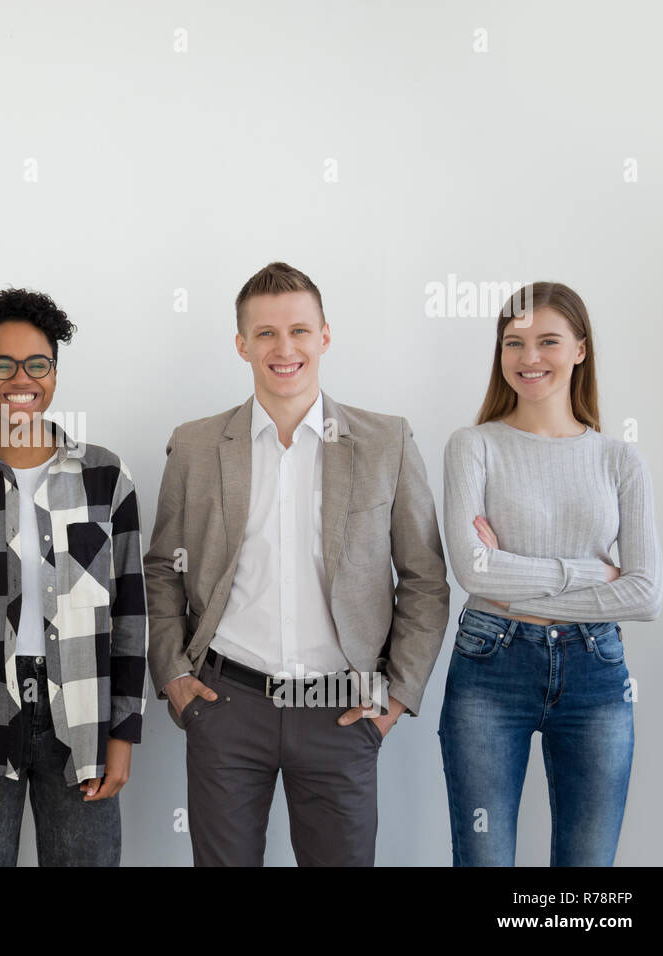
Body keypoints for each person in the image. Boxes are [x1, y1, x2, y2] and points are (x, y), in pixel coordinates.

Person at [145, 261, 450, 866]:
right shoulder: (197, 445)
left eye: (299, 331)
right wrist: (175, 678)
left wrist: (394, 700)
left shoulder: (387, 441)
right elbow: (161, 569)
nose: (284, 348)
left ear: (325, 336)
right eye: (265, 333)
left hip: (343, 707)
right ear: (241, 344)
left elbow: (424, 579)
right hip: (226, 704)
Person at [0, 288, 147, 866]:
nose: (21, 378)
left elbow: (132, 613)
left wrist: (124, 731)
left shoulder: (105, 477)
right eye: (2, 365)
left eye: (37, 363)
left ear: (55, 375)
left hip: (83, 721)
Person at [438, 282, 663, 866]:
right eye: (514, 343)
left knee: (586, 874)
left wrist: (510, 573)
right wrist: (593, 573)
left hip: (596, 672)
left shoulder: (620, 459)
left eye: (547, 341)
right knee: (483, 859)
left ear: (581, 349)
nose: (528, 357)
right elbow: (472, 571)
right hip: (491, 666)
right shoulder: (473, 446)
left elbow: (644, 594)